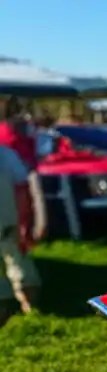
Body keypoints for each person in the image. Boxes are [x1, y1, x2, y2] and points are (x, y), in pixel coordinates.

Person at [0, 131, 44, 328]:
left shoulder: (7, 155)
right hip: (10, 221)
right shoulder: (8, 155)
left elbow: (22, 189)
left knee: (20, 263)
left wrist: (24, 222)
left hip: (8, 222)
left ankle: (30, 309)